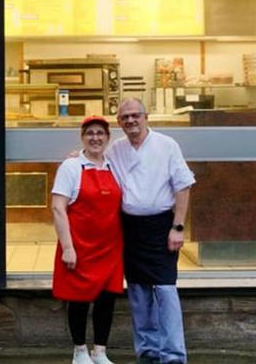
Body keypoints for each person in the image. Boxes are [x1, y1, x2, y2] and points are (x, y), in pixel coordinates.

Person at [105, 98, 195, 364]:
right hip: (130, 228)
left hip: (161, 227)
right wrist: (77, 158)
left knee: (165, 290)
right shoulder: (116, 148)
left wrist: (178, 227)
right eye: (125, 117)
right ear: (119, 122)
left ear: (146, 117)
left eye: (135, 115)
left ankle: (174, 355)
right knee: (138, 292)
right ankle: (147, 352)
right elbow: (95, 161)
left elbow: (183, 186)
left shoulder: (166, 145)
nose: (131, 121)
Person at [51, 115, 124, 364]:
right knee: (79, 300)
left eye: (100, 133)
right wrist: (68, 248)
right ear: (82, 137)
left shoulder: (114, 165)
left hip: (110, 247)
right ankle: (80, 352)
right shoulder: (71, 167)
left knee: (107, 299)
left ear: (108, 138)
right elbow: (58, 208)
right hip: (79, 246)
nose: (95, 138)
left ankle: (100, 352)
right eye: (90, 133)